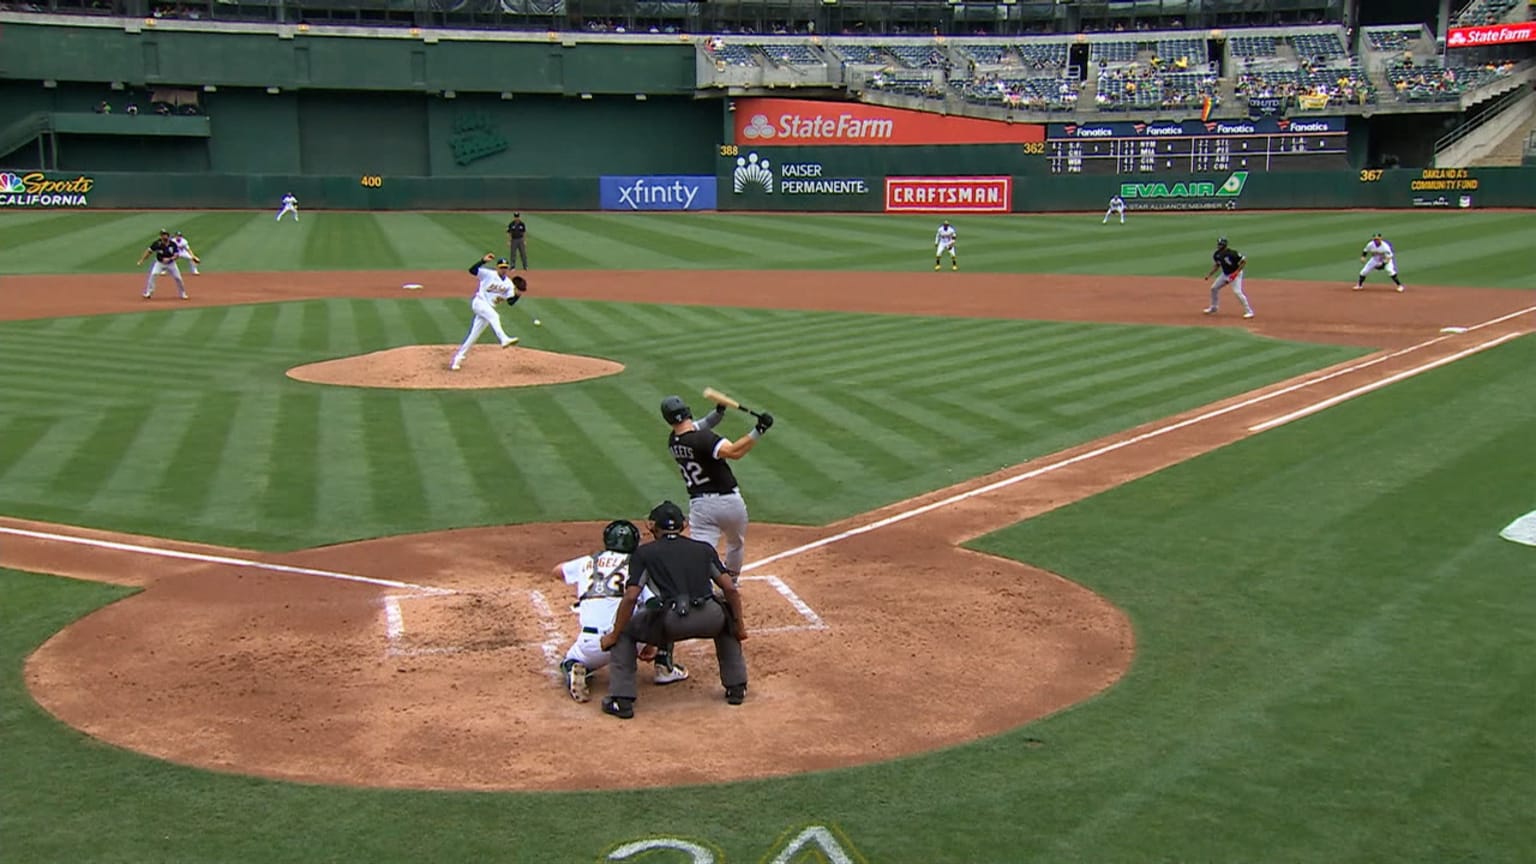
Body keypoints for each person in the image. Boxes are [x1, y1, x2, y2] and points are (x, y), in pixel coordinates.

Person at [598, 501, 749, 719]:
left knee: (625, 632)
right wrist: (739, 626)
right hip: (709, 617)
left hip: (670, 622)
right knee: (726, 618)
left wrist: (614, 634)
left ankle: (621, 700)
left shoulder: (644, 553)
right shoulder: (703, 549)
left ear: (651, 526)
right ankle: (736, 687)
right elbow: (730, 590)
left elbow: (631, 596)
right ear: (684, 525)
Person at [553, 519, 690, 703]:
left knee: (570, 660)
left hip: (594, 644)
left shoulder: (588, 561)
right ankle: (664, 666)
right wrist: (651, 643)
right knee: (664, 605)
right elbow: (655, 605)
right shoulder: (639, 564)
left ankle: (574, 668)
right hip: (631, 641)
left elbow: (557, 571)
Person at [660, 394, 773, 580]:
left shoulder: (674, 441)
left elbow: (701, 424)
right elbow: (733, 452)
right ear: (687, 411)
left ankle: (700, 589)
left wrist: (719, 412)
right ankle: (732, 582)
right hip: (729, 503)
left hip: (701, 507)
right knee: (735, 544)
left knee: (701, 552)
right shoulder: (704, 439)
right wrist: (759, 430)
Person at [449, 253, 524, 371]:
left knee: (473, 336)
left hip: (487, 310)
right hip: (479, 303)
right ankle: (503, 339)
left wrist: (518, 295)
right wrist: (482, 261)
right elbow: (472, 270)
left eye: (505, 267)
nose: (503, 270)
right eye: (501, 267)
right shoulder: (488, 274)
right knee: (495, 316)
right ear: (497, 267)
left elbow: (510, 302)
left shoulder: (509, 284)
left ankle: (457, 359)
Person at [1202, 236, 1254, 319]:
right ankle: (1214, 307)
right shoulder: (1217, 255)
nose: (1218, 246)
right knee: (1213, 288)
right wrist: (1209, 274)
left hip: (1236, 274)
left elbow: (1243, 262)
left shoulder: (1232, 253)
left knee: (1237, 292)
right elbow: (1217, 265)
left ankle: (1249, 311)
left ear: (1224, 245)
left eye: (1220, 244)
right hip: (1225, 274)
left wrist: (1235, 273)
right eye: (1218, 244)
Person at [136, 229, 188, 300]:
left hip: (171, 264)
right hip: (159, 263)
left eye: (165, 235)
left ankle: (183, 293)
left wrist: (170, 259)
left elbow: (177, 255)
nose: (164, 237)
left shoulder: (173, 244)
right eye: (162, 235)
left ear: (168, 236)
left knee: (178, 278)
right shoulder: (157, 243)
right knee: (153, 274)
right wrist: (142, 260)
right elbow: (149, 251)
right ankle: (148, 293)